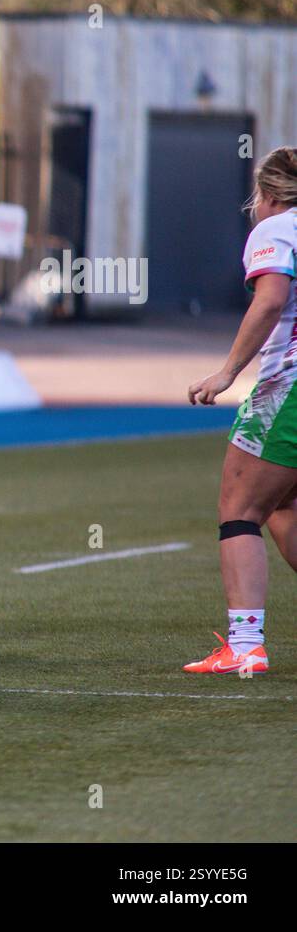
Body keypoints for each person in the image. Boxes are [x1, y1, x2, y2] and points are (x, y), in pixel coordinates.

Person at [185, 146, 297, 675]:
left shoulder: (276, 230)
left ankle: (245, 643)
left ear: (271, 194)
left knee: (240, 507)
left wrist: (228, 372)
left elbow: (271, 299)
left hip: (290, 387)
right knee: (282, 507)